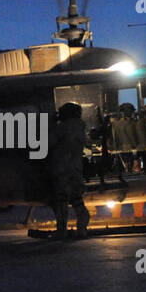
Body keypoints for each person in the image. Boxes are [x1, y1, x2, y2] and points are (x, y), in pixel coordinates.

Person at [50, 102, 90, 238]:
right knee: (77, 199)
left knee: (61, 201)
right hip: (76, 168)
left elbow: (50, 142)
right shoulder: (79, 128)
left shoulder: (63, 128)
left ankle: (61, 230)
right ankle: (82, 229)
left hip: (62, 168)